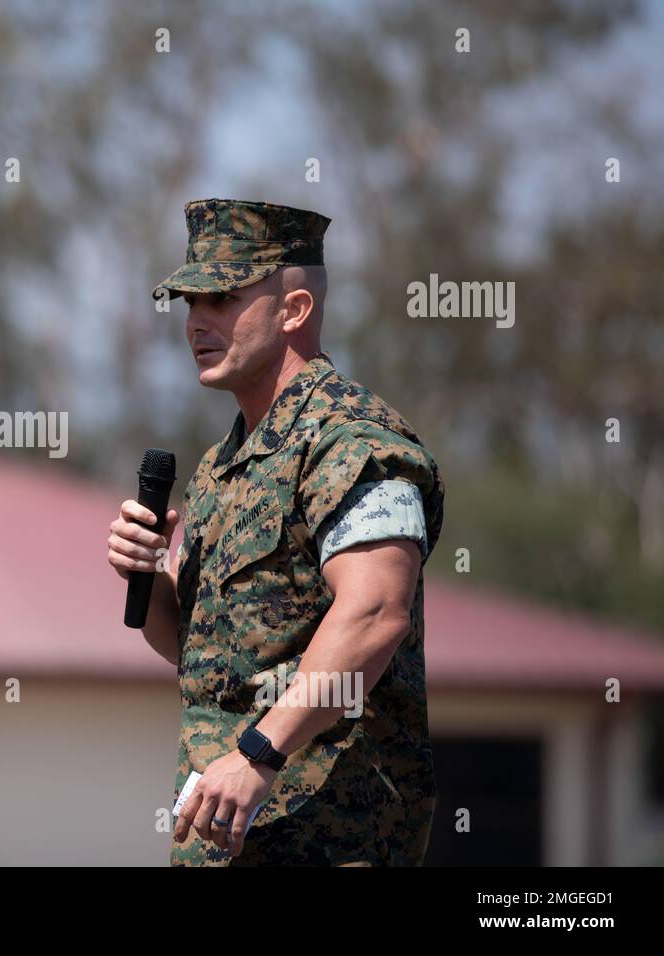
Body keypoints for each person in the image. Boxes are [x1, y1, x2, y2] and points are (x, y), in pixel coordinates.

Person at [107, 199, 445, 866]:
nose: (197, 322)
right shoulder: (223, 465)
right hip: (225, 839)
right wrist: (148, 577)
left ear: (292, 310)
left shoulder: (350, 440)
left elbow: (376, 612)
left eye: (223, 297)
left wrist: (262, 752)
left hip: (331, 835)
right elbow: (197, 653)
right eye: (188, 303)